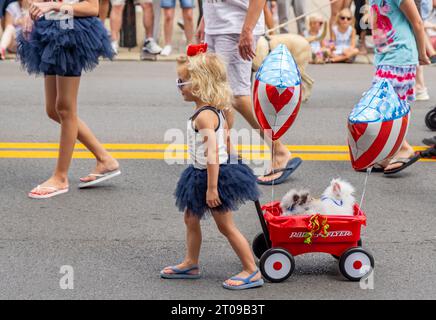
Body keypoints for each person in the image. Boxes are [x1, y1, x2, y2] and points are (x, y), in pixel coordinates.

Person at [160, 48, 263, 290]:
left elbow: (213, 153)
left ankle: (251, 270)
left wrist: (213, 188)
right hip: (199, 174)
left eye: (182, 82)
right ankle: (191, 263)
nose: (179, 86)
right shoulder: (213, 111)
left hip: (212, 176)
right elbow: (225, 139)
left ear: (200, 84)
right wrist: (233, 155)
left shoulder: (205, 117)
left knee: (225, 225)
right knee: (190, 217)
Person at [17, 0, 121, 198]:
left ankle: (60, 177)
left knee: (65, 108)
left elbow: (92, 8)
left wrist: (54, 7)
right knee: (53, 109)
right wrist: (28, 12)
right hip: (48, 32)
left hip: (72, 34)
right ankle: (105, 159)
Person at [197, 0, 302, 186]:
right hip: (216, 25)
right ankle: (227, 157)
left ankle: (278, 150)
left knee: (236, 96)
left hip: (235, 27)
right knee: (217, 95)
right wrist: (205, 20)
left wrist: (247, 30)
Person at [369, 0, 430, 174]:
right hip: (384, 57)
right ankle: (391, 151)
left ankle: (403, 148)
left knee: (388, 106)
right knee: (383, 107)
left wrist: (422, 53)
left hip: (400, 56)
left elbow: (417, 22)